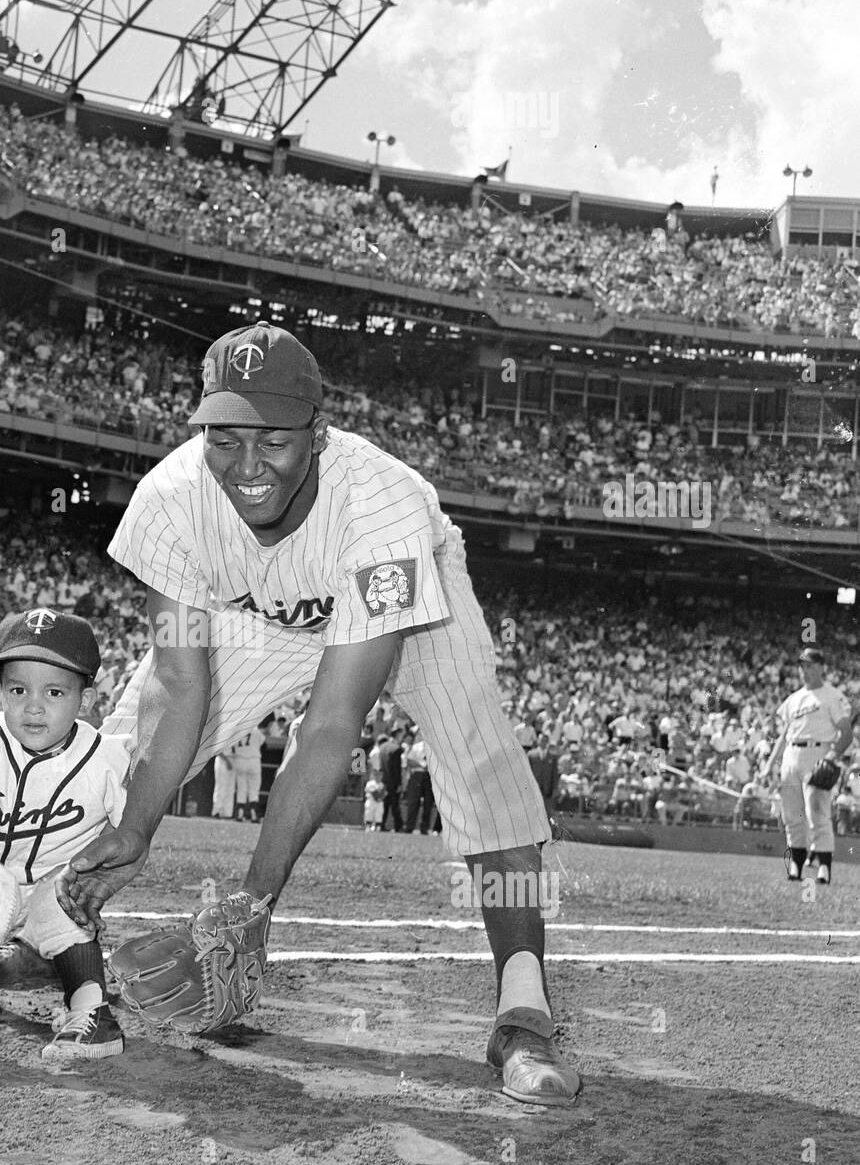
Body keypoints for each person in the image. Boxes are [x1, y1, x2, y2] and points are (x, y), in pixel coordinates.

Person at [58, 321, 579, 1106]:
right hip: (261, 612)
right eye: (224, 439)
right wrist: (136, 820)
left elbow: (332, 725)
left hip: (403, 601)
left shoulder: (380, 508)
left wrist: (253, 902)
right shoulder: (171, 502)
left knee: (482, 771)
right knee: (117, 758)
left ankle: (524, 1014)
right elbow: (177, 684)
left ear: (319, 433)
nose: (246, 466)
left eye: (273, 441)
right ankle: (33, 926)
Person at [0, 608, 130, 1060]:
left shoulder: (106, 757)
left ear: (87, 700)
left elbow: (129, 836)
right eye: (18, 689)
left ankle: (91, 1010)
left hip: (60, 889)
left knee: (58, 901)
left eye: (54, 691)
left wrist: (91, 878)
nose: (33, 705)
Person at [760, 648, 853, 885]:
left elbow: (846, 733)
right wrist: (768, 765)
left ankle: (823, 867)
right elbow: (783, 735)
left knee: (817, 814)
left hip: (818, 751)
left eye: (810, 665)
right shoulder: (793, 698)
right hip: (791, 754)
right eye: (802, 666)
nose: (805, 670)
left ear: (822, 667)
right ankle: (796, 865)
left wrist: (832, 757)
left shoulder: (832, 696)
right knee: (792, 815)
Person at [232, 723, 265, 822]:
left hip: (240, 759)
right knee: (254, 789)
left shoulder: (237, 731)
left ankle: (240, 814)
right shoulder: (256, 731)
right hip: (254, 759)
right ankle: (254, 814)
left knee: (241, 788)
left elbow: (232, 745)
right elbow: (262, 741)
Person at [211, 746, 235, 818]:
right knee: (221, 786)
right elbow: (217, 750)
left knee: (230, 788)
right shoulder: (222, 735)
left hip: (233, 759)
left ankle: (227, 813)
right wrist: (227, 760)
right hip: (223, 759)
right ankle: (217, 811)